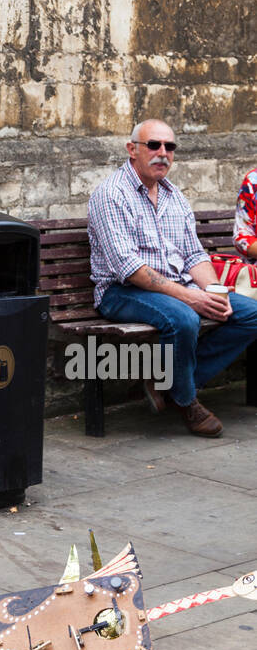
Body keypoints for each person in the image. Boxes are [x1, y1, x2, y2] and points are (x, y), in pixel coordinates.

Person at [88, 120, 257, 436]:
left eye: (170, 147)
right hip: (122, 291)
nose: (162, 153)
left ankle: (166, 382)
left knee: (251, 315)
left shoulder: (173, 195)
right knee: (183, 319)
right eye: (154, 145)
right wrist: (192, 297)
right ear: (132, 149)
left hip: (174, 287)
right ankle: (187, 400)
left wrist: (215, 292)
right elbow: (129, 267)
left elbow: (194, 255)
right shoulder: (111, 194)